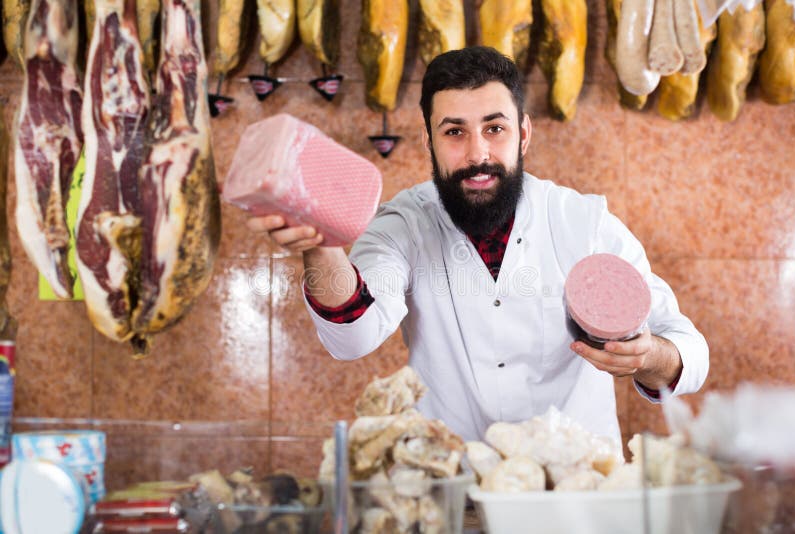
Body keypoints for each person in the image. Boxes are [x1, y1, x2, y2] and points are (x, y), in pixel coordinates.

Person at [247, 46, 709, 444]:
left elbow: (690, 352)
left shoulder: (583, 222)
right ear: (429, 140)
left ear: (523, 133)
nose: (477, 154)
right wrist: (322, 245)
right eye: (454, 132)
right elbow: (353, 335)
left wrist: (648, 356)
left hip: (576, 496)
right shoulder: (403, 223)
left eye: (494, 128)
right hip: (452, 493)